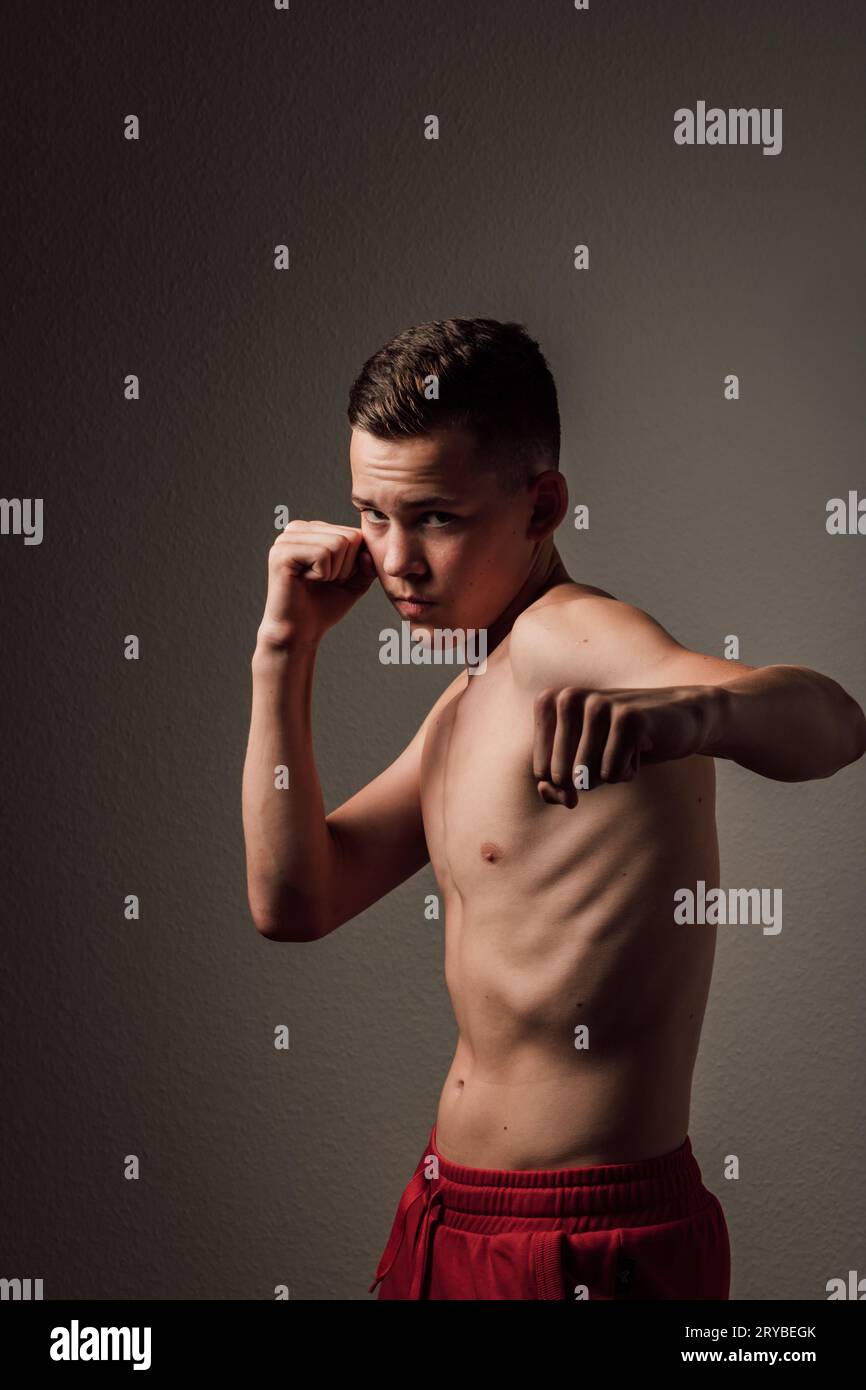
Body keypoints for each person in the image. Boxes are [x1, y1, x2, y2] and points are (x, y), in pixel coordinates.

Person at [242, 318, 866, 1300]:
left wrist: (687, 716)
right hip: (445, 1209)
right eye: (371, 515)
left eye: (435, 517)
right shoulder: (469, 695)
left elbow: (831, 718)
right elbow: (295, 900)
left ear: (541, 506)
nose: (395, 559)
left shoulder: (578, 639)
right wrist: (283, 652)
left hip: (584, 1240)